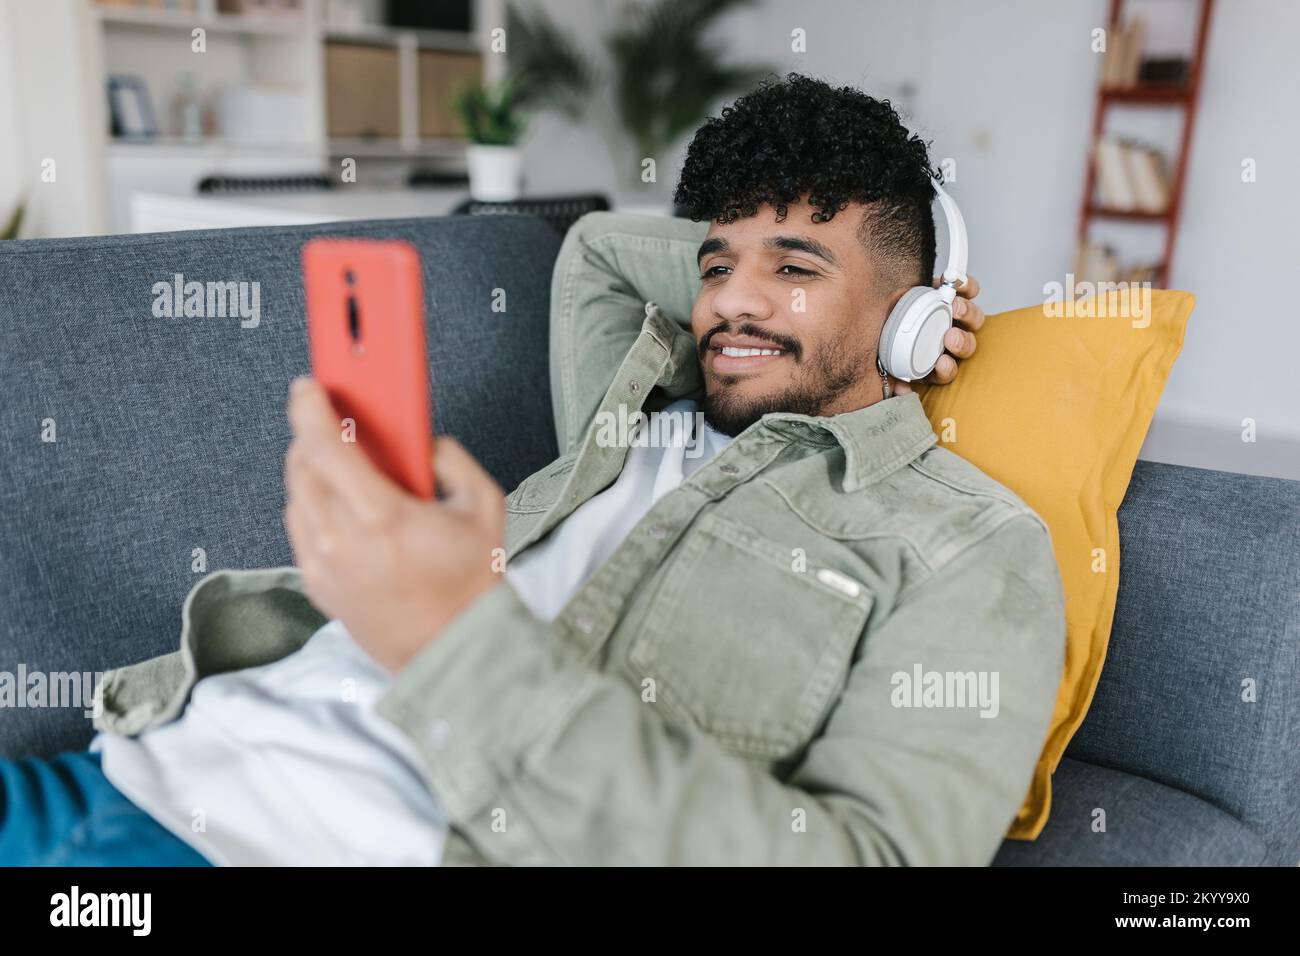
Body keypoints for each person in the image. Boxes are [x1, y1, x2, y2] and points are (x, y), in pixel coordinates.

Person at [0, 73, 1063, 866]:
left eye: (794, 267)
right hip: (133, 752)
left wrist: (453, 641)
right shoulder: (641, 402)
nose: (730, 304)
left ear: (914, 310)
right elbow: (597, 246)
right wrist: (772, 265)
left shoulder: (970, 546)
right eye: (713, 266)